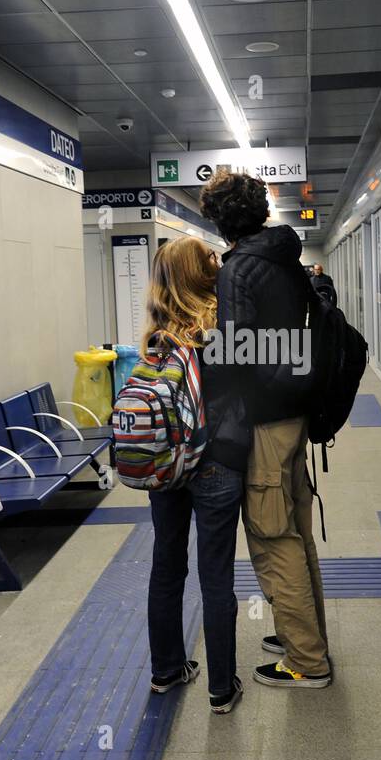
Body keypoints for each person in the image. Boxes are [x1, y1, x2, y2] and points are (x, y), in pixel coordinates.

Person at [200, 170, 331, 689]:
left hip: (267, 418)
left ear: (218, 219)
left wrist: (200, 355)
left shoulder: (239, 270)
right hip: (295, 408)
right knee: (295, 528)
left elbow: (236, 352)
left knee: (273, 536)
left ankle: (306, 660)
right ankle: (305, 634)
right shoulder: (284, 256)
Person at [142, 236, 246, 714]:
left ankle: (166, 670)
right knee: (216, 573)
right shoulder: (223, 329)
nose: (217, 259)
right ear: (195, 271)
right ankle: (221, 689)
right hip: (218, 463)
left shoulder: (155, 338)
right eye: (208, 255)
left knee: (167, 563)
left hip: (167, 464)